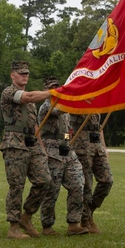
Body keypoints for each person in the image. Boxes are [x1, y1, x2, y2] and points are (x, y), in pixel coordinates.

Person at [0, 60, 52, 240]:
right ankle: (13, 227)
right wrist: (52, 93)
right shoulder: (9, 92)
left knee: (44, 180)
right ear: (12, 75)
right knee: (17, 186)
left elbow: (35, 123)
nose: (25, 76)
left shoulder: (31, 101)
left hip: (32, 142)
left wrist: (42, 147)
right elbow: (27, 97)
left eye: (27, 73)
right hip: (14, 142)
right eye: (21, 73)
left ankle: (26, 216)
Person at [37, 76, 88, 236]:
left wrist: (68, 140)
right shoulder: (47, 106)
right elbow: (60, 111)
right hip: (52, 153)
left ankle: (74, 223)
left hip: (67, 151)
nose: (55, 90)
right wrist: (81, 100)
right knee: (52, 190)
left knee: (78, 184)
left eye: (57, 87)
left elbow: (66, 131)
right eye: (51, 87)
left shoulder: (63, 107)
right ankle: (47, 225)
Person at [70, 112, 112, 234]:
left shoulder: (96, 104)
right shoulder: (77, 99)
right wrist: (67, 141)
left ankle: (90, 212)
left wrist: (104, 146)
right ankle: (85, 220)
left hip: (97, 146)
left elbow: (99, 127)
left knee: (107, 180)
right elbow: (68, 126)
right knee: (87, 185)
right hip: (81, 146)